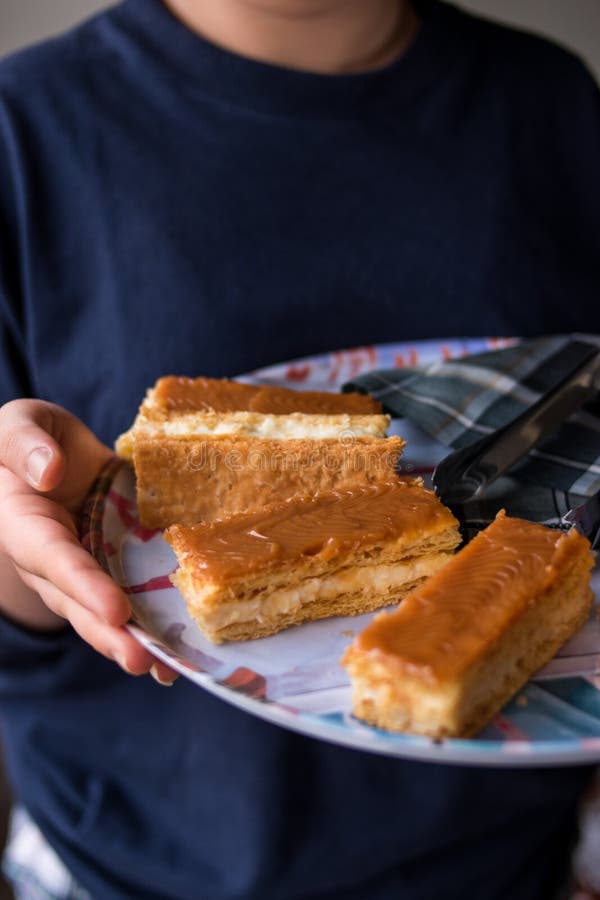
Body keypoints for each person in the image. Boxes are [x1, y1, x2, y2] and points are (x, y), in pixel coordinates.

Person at [0, 0, 599, 897]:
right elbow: (23, 587)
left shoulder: (551, 102)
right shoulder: (22, 130)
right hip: (127, 867)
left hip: (510, 862)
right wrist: (39, 527)